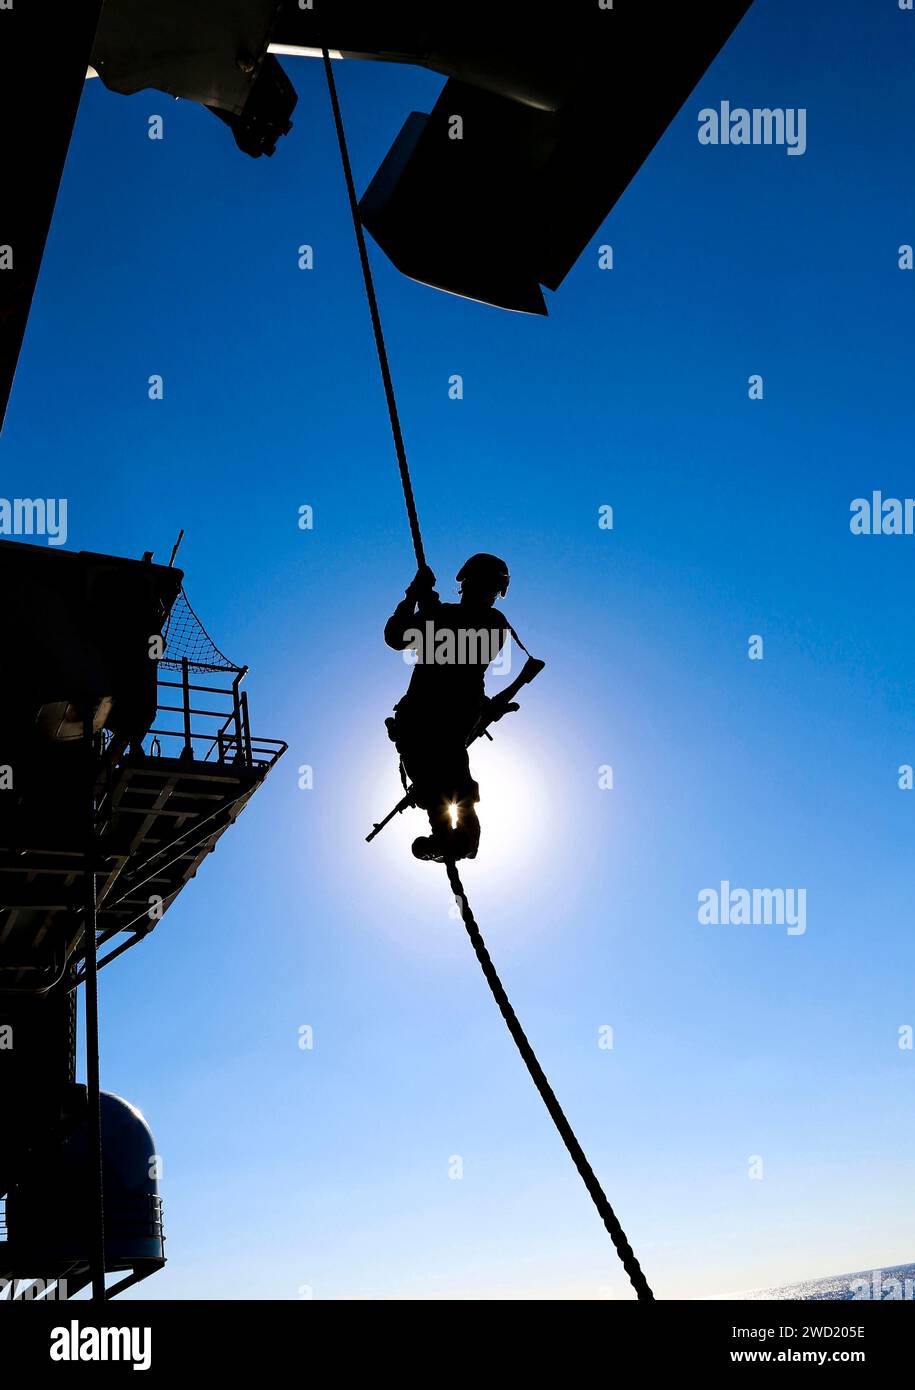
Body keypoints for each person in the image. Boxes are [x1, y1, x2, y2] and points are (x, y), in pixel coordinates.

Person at [384, 553, 513, 862]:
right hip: (425, 715)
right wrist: (415, 596)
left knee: (448, 774)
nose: (484, 593)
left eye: (489, 588)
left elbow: (458, 647)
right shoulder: (445, 616)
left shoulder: (493, 624)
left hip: (446, 713)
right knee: (435, 776)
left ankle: (460, 839)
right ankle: (449, 839)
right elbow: (396, 638)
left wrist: (425, 604)